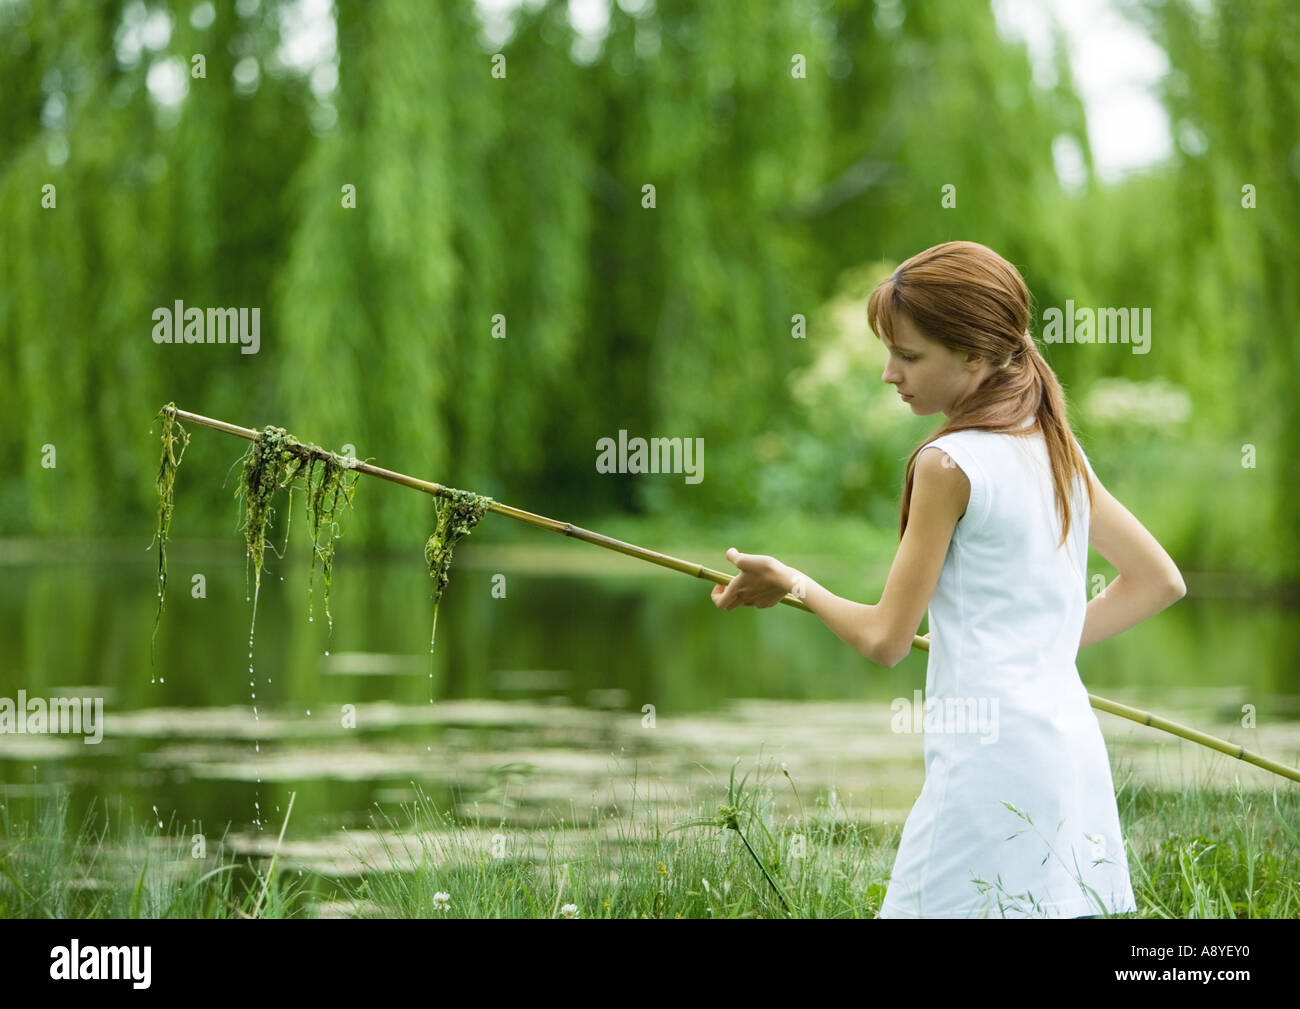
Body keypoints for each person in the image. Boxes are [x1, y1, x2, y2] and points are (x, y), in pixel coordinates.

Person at [710, 240, 1186, 918]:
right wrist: (1033, 645)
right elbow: (1158, 580)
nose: (888, 373)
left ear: (973, 354)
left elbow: (885, 640)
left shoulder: (947, 463)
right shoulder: (1054, 445)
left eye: (908, 356)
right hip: (1070, 755)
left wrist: (795, 584)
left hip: (988, 766)